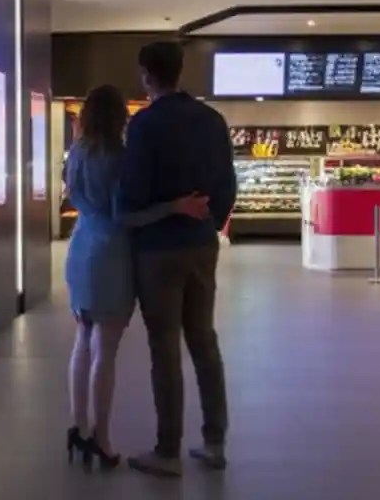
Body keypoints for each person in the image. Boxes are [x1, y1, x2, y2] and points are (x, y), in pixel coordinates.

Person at [65, 84, 211, 471]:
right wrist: (174, 206)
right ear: (119, 119)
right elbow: (126, 215)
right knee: (106, 349)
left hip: (80, 248)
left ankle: (78, 428)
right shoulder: (119, 158)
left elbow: (74, 198)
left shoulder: (76, 153)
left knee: (82, 340)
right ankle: (103, 439)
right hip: (112, 255)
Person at [120, 42, 236, 478]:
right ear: (181, 72)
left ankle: (168, 450)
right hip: (201, 245)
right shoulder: (212, 120)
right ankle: (214, 441)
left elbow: (130, 199)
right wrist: (208, 220)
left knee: (164, 347)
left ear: (146, 74)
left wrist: (156, 214)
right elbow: (228, 182)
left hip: (157, 250)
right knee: (204, 339)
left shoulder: (145, 126)